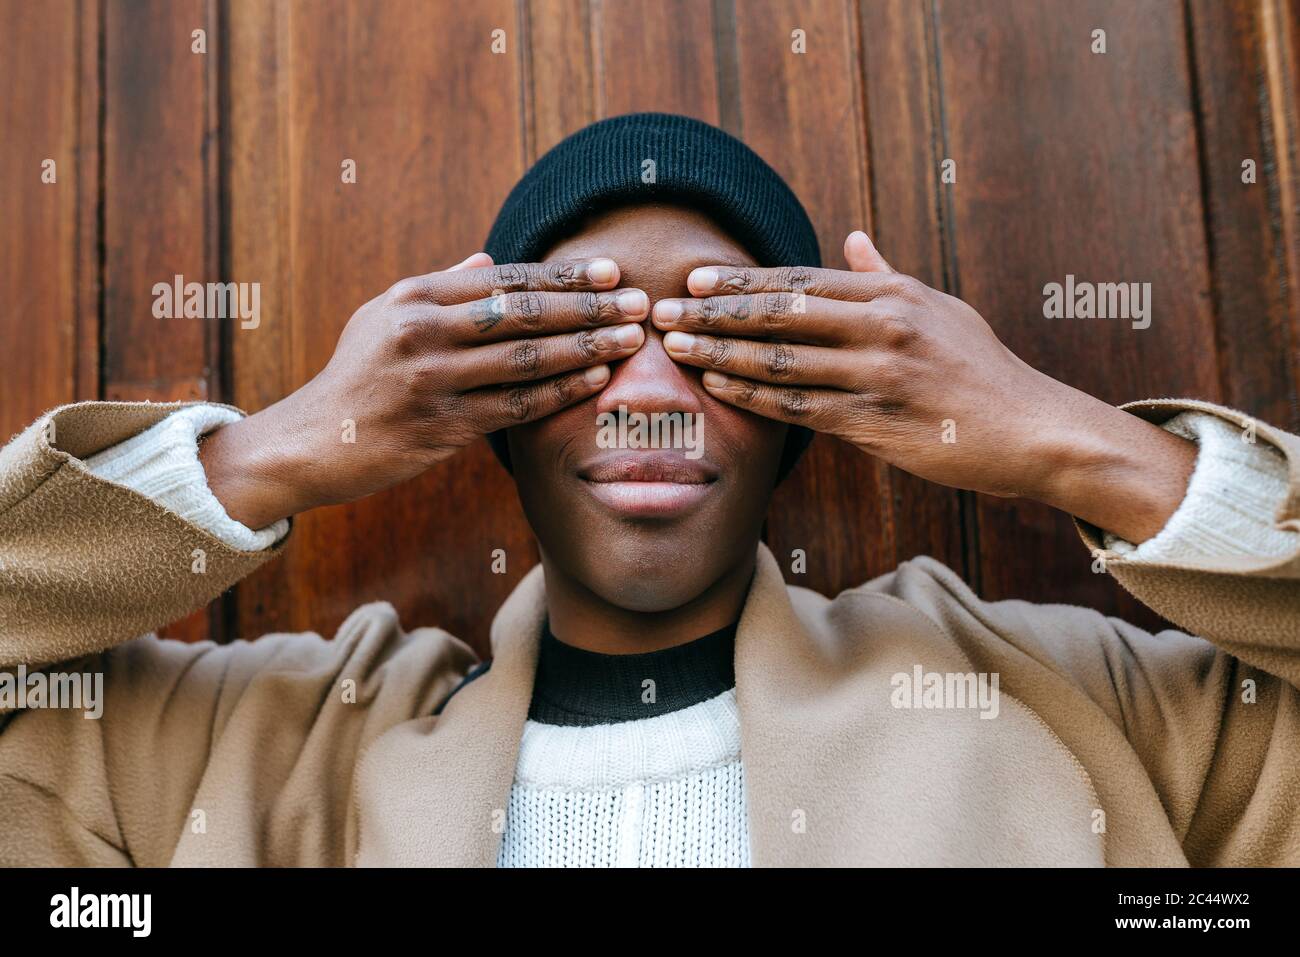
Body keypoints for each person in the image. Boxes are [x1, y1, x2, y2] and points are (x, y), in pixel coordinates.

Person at [1, 113, 1297, 867]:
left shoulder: (1079, 707)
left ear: (804, 407)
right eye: (576, 339)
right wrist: (282, 446)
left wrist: (1052, 435)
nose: (651, 388)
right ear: (484, 405)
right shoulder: (271, 751)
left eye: (726, 335)